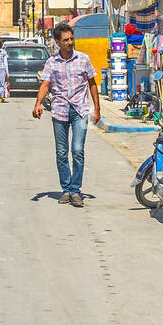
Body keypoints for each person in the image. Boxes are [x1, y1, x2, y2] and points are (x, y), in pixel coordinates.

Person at [33, 22, 101, 207]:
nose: (70, 42)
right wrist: (38, 103)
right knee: (62, 153)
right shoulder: (51, 62)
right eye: (66, 40)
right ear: (57, 42)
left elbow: (92, 83)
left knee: (77, 150)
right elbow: (45, 84)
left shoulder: (83, 59)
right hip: (59, 110)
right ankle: (66, 189)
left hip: (80, 110)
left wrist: (97, 108)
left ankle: (75, 190)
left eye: (71, 39)